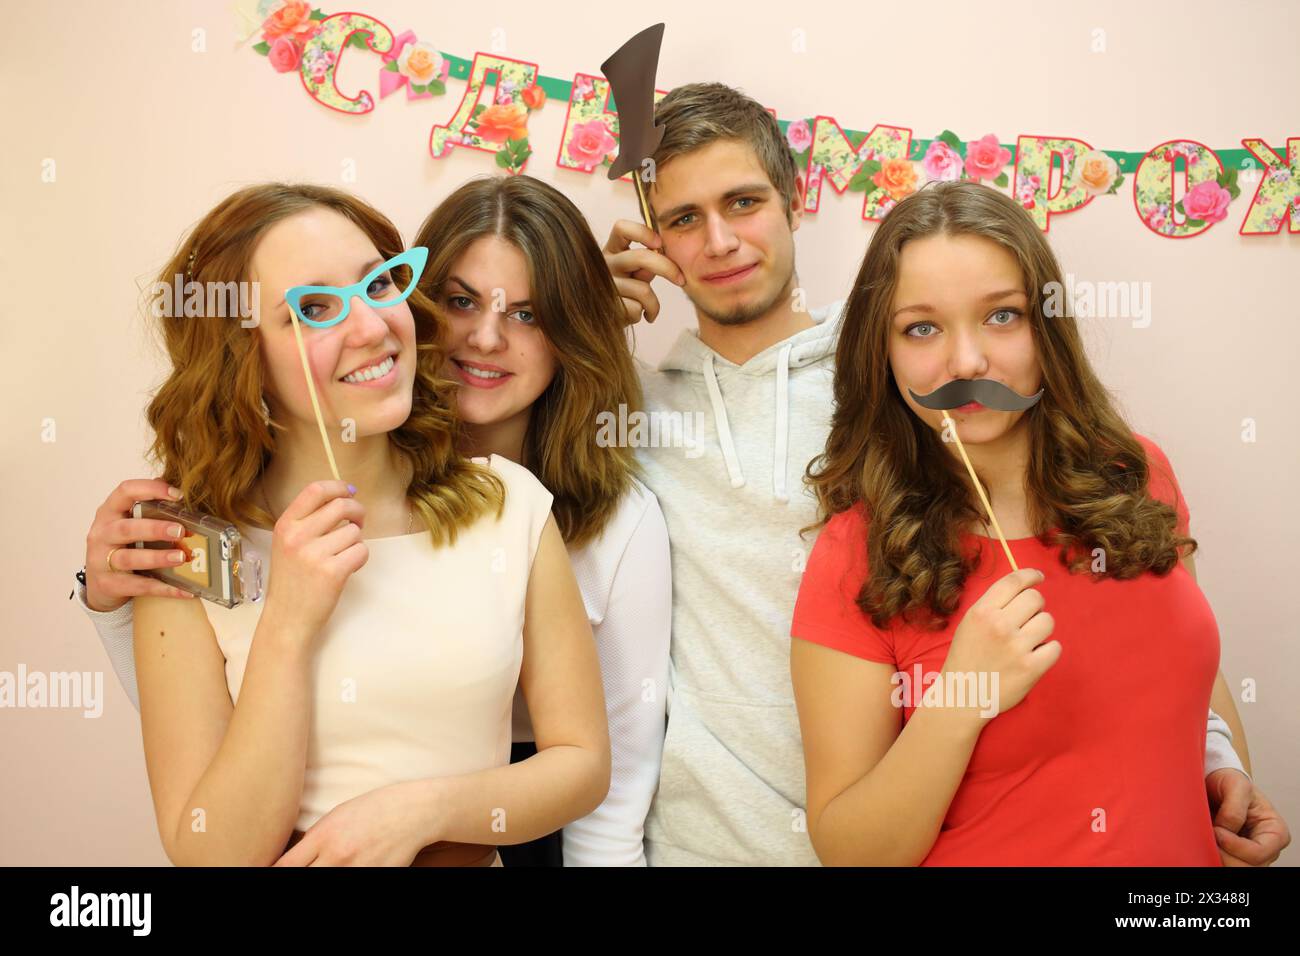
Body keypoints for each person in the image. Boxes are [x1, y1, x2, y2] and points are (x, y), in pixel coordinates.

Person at [600, 82, 1282, 865]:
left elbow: (1168, 656)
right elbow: (520, 501)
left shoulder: (1089, 454)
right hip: (726, 844)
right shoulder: (633, 412)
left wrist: (1217, 760)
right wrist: (585, 338)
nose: (719, 241)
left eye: (744, 202)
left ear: (794, 201)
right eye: (683, 219)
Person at [76, 175, 670, 866]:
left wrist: (421, 812)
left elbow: (585, 764)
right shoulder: (188, 549)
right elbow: (211, 853)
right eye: (315, 308)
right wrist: (288, 624)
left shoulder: (511, 506)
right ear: (245, 362)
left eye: (378, 285)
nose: (369, 324)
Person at [789, 179, 1276, 865]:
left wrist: (1221, 768)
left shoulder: (1137, 473)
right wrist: (965, 694)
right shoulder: (857, 551)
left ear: (1046, 326)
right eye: (921, 327)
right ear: (883, 352)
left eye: (1001, 316)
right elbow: (851, 851)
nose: (967, 362)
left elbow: (1194, 674)